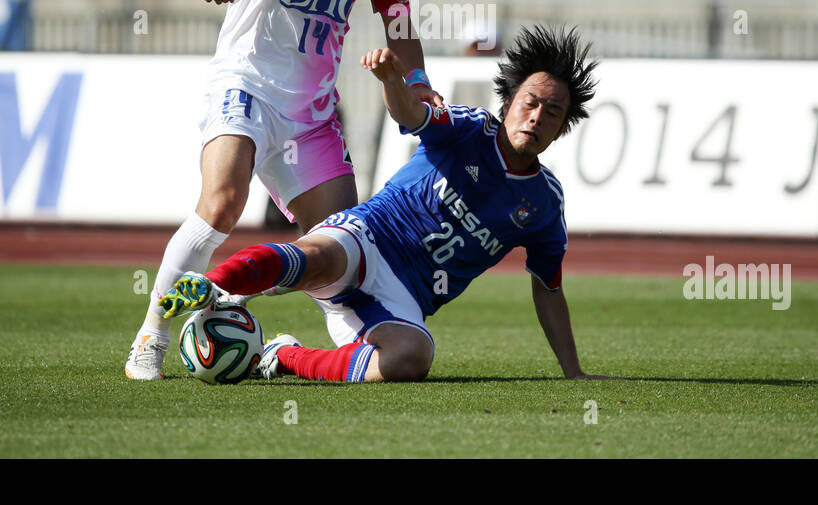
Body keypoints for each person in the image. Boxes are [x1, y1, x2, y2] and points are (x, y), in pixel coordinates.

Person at [125, 0, 443, 379]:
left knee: (341, 250)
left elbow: (398, 21)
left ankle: (341, 353)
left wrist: (419, 83)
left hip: (313, 117)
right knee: (223, 200)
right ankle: (151, 335)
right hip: (244, 83)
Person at [159, 26, 614, 383]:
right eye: (530, 103)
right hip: (368, 237)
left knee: (411, 358)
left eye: (552, 113)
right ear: (509, 100)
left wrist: (572, 371)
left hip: (398, 300)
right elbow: (411, 114)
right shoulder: (467, 129)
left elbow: (548, 288)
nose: (536, 117)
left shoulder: (544, 205)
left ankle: (281, 356)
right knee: (316, 254)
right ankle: (216, 283)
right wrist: (392, 80)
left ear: (563, 128)